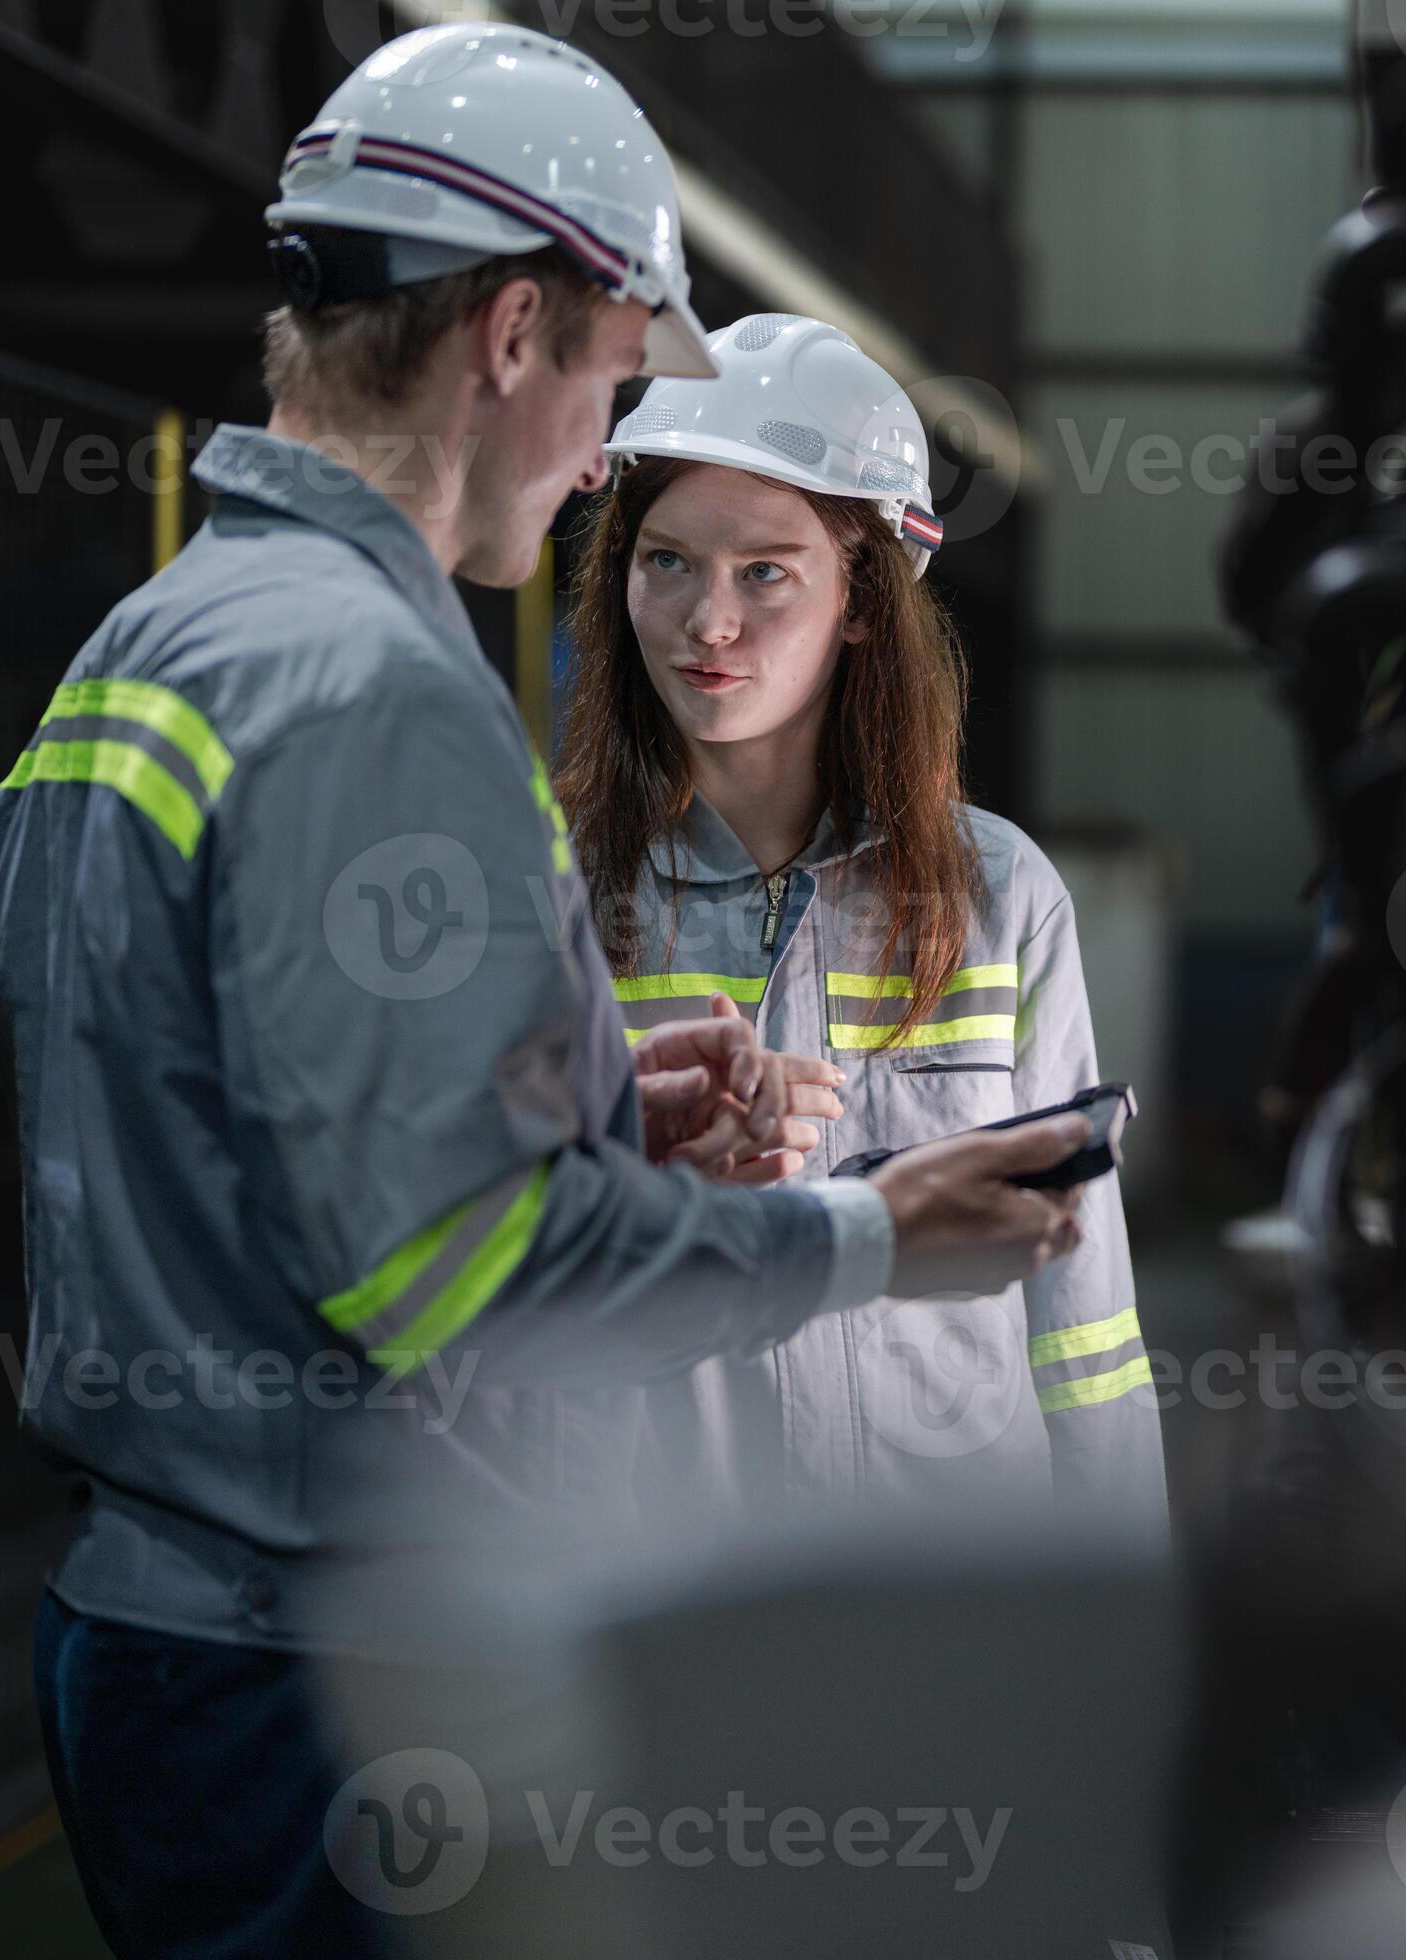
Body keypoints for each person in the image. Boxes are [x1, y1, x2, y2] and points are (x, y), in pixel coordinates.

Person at [0, 26, 1087, 1956]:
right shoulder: (381, 692)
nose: (598, 453)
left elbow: (228, 1109)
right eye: (607, 378)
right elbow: (468, 1286)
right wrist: (864, 1234)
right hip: (302, 1664)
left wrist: (579, 1094)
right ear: (511, 336)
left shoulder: (157, 644)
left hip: (159, 1623)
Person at [557, 315, 1168, 1529]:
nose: (706, 623)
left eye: (765, 571)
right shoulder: (555, 890)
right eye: (667, 560)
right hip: (672, 1591)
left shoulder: (998, 895)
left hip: (951, 1592)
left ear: (861, 602)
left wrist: (1120, 1591)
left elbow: (1082, 1310)